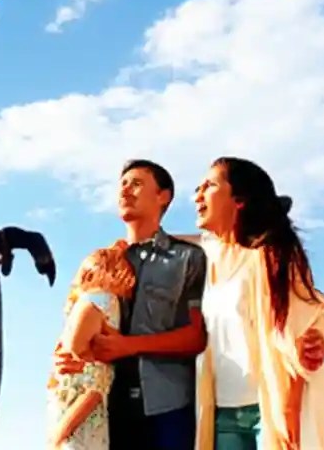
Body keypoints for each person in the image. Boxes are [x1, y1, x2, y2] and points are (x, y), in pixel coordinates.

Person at [178, 156, 324, 450]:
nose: (197, 195)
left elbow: (292, 336)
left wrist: (288, 419)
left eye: (209, 186)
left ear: (239, 200)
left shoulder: (272, 256)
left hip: (267, 412)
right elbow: (155, 240)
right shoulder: (208, 254)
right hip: (222, 413)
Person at [54, 159, 209, 450]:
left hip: (169, 406)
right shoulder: (105, 264)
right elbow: (77, 324)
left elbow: (197, 336)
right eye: (122, 185)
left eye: (136, 184)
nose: (125, 191)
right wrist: (66, 354)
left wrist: (130, 345)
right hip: (109, 407)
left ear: (163, 197)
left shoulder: (189, 258)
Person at [44, 241, 137, 449]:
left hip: (76, 424)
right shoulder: (108, 306)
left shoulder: (97, 301)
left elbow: (94, 383)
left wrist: (61, 433)